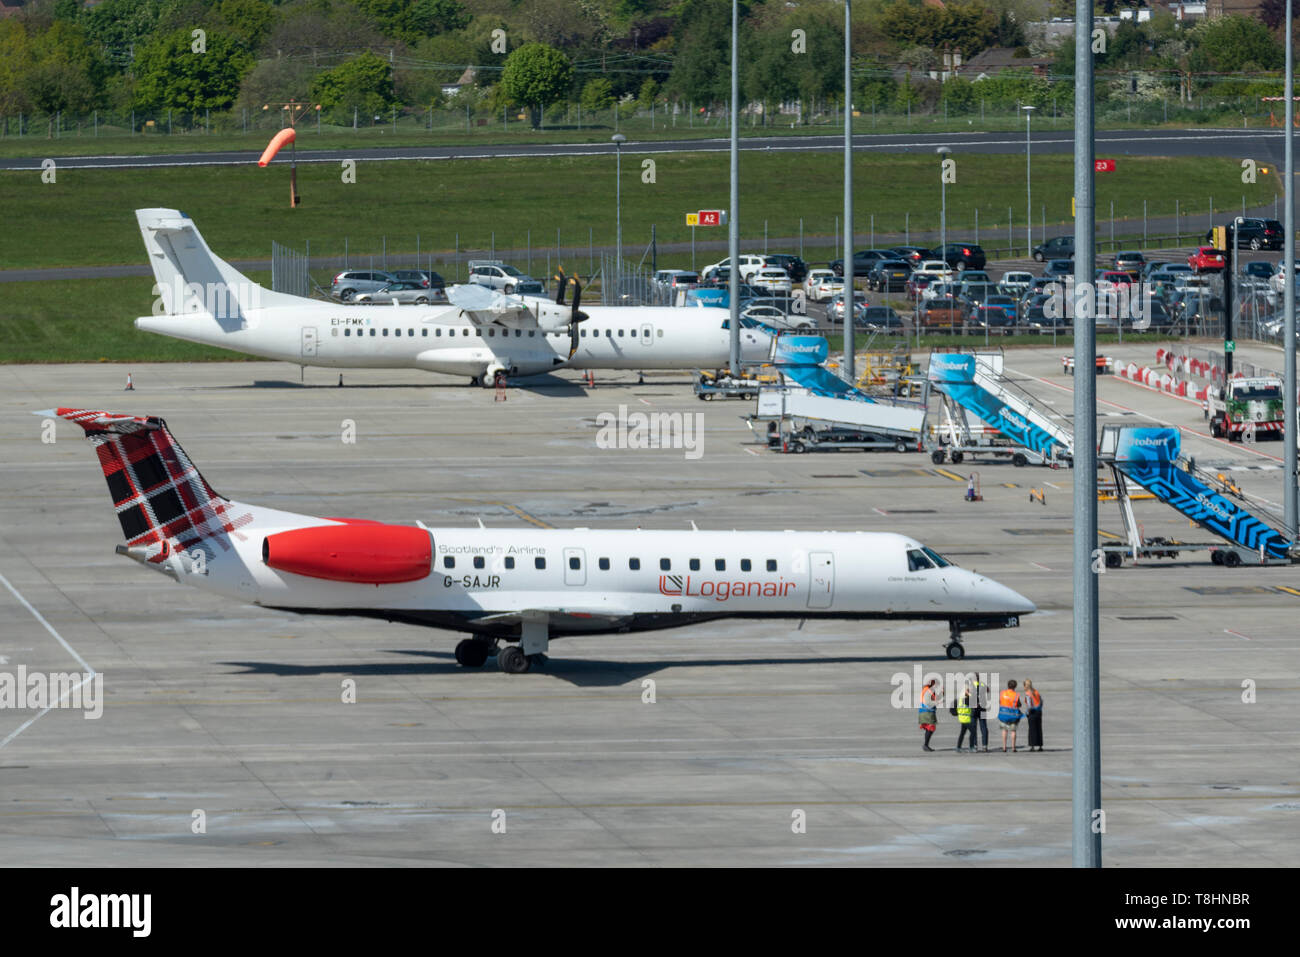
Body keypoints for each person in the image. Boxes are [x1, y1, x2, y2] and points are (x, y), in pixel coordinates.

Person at [998, 679, 1022, 752]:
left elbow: (1000, 701)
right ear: (1015, 686)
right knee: (1013, 731)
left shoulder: (1002, 693)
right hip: (1013, 715)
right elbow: (1019, 704)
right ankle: (1013, 747)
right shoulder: (1016, 695)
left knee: (1004, 730)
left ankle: (1004, 747)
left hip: (1003, 714)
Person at [918, 678, 941, 752]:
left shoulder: (928, 690)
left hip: (925, 712)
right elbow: (928, 702)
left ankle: (926, 745)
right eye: (937, 685)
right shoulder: (928, 691)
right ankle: (925, 745)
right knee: (930, 728)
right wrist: (937, 703)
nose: (938, 687)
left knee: (929, 728)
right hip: (927, 712)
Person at [954, 682, 976, 751]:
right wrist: (969, 693)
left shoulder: (960, 698)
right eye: (968, 690)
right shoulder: (966, 699)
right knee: (973, 732)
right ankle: (971, 747)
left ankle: (958, 747)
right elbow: (973, 699)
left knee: (962, 733)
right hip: (966, 719)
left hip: (962, 718)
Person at [1023, 679, 1044, 751]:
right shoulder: (1036, 691)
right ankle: (1040, 745)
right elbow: (1041, 701)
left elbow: (1029, 705)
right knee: (1039, 728)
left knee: (1032, 730)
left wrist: (1027, 713)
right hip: (1039, 712)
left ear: (1025, 686)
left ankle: (1032, 746)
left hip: (1032, 712)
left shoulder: (1028, 693)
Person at [971, 673, 989, 751]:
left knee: (973, 728)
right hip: (982, 707)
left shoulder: (970, 685)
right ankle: (984, 745)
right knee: (983, 727)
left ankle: (975, 746)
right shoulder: (982, 684)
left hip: (973, 708)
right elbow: (988, 690)